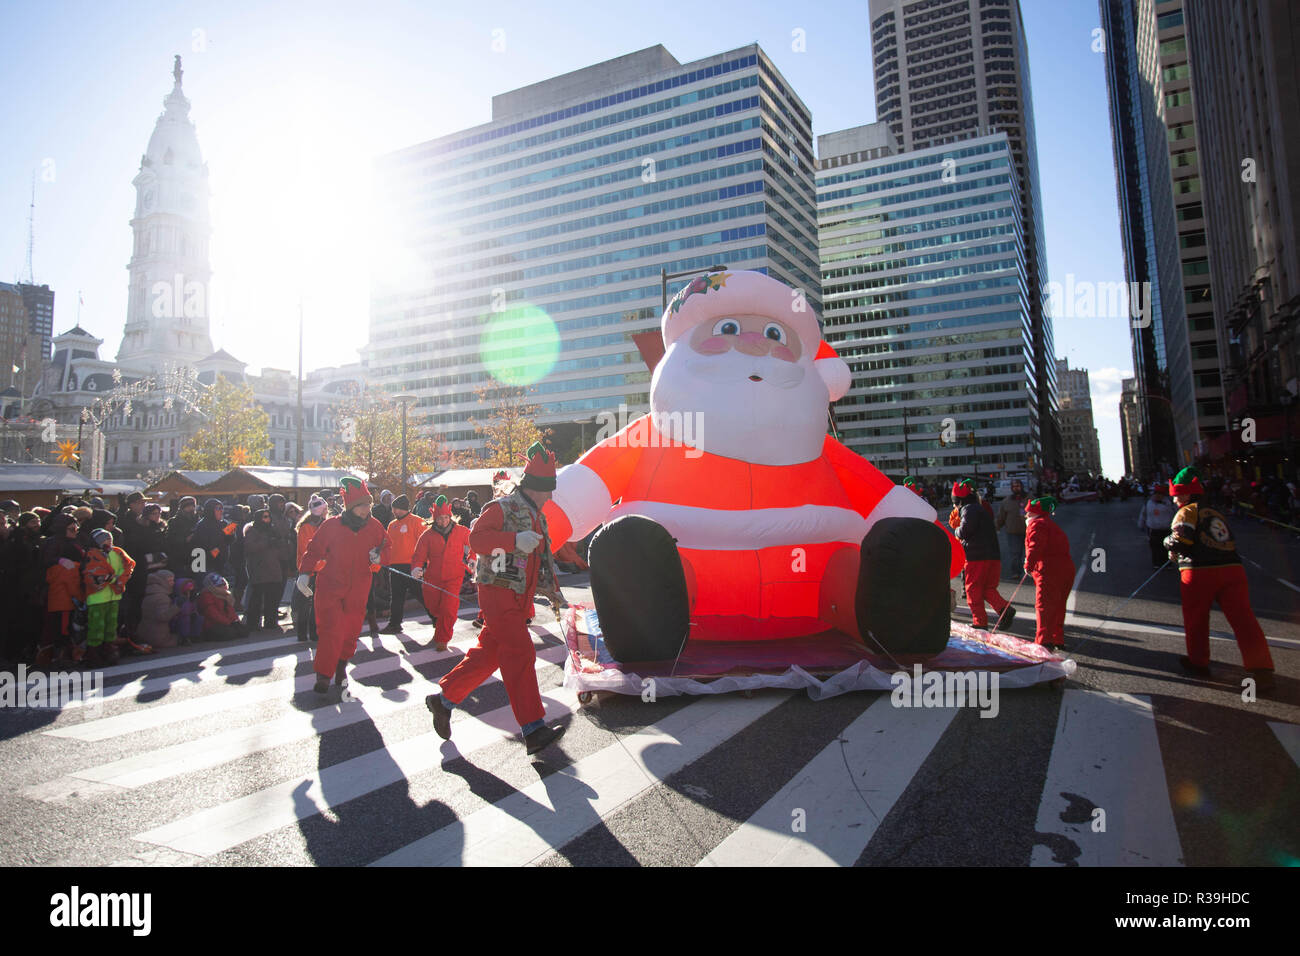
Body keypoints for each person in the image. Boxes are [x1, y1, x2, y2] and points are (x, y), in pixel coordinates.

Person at [425, 443, 567, 755]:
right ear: (537, 488)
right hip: (497, 592)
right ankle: (533, 729)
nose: (551, 497)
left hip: (517, 596)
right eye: (549, 490)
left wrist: (553, 590)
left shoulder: (535, 514)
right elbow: (476, 539)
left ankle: (444, 701)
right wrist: (513, 540)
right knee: (520, 652)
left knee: (488, 655)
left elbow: (540, 557)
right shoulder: (501, 507)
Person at [1163, 467, 1275, 684]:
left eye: (1177, 496)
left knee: (1196, 618)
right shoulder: (1216, 512)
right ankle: (1262, 669)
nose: (1175, 500)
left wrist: (1166, 542)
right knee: (1244, 619)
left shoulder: (1186, 512)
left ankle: (1199, 662)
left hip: (1199, 571)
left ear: (1187, 494)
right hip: (1233, 570)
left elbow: (1181, 542)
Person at [297, 477, 390, 696]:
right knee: (330, 630)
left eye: (368, 504)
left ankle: (341, 667)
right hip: (330, 586)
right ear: (351, 506)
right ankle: (323, 675)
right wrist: (304, 574)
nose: (368, 508)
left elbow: (387, 549)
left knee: (350, 632)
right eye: (363, 505)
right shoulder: (332, 525)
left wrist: (379, 557)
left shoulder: (374, 526)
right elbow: (314, 550)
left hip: (359, 587)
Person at [952, 479, 1015, 630]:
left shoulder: (969, 509)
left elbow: (965, 530)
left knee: (973, 590)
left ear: (959, 500)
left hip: (976, 556)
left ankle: (980, 622)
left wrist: (956, 529)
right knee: (988, 588)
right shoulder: (979, 508)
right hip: (992, 555)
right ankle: (1004, 610)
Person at [410, 495, 471, 651]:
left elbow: (474, 545)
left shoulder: (461, 531)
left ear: (450, 516)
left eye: (445, 518)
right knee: (433, 606)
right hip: (432, 578)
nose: (443, 521)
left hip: (454, 576)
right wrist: (416, 568)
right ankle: (440, 622)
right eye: (439, 518)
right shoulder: (427, 535)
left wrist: (473, 559)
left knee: (449, 608)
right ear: (434, 518)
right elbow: (419, 555)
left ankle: (442, 639)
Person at [1023, 496, 1072, 649]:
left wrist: (1028, 565)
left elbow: (1035, 547)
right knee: (1058, 605)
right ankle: (1058, 638)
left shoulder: (1036, 525)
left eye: (1028, 513)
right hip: (1065, 568)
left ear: (1033, 514)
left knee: (1044, 606)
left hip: (1048, 569)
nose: (1026, 516)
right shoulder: (1050, 524)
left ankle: (1043, 641)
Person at [82, 528, 136, 665]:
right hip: (97, 596)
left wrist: (121, 580)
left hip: (114, 595)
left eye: (110, 539)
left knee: (111, 625)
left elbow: (128, 566)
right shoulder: (91, 555)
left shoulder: (117, 552)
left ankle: (109, 650)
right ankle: (93, 653)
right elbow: (92, 574)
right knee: (96, 626)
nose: (109, 541)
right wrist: (113, 579)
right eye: (105, 539)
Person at [380, 494, 424, 634]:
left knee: (421, 595)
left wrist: (423, 565)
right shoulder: (392, 525)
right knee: (396, 597)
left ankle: (437, 618)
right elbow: (387, 545)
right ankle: (394, 624)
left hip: (412, 565)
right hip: (395, 566)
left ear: (404, 509)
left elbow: (424, 544)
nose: (394, 511)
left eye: (397, 509)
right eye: (394, 509)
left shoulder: (417, 521)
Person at [242, 507, 286, 632]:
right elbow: (250, 547)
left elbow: (280, 546)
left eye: (268, 516)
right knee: (256, 598)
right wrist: (267, 542)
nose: (267, 519)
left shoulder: (272, 530)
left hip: (273, 567)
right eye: (264, 517)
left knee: (272, 598)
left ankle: (271, 622)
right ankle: (253, 624)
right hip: (259, 568)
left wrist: (280, 545)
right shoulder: (253, 531)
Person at [293, 495, 328, 643]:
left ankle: (314, 632)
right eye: (325, 509)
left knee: (316, 603)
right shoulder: (306, 527)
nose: (326, 511)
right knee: (305, 603)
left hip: (321, 569)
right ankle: (302, 633)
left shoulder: (324, 525)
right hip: (307, 571)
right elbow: (306, 550)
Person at [139, 569, 182, 649]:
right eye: (170, 580)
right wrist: (177, 606)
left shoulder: (149, 594)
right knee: (180, 638)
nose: (173, 583)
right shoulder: (162, 597)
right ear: (162, 582)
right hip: (159, 637)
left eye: (173, 580)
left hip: (144, 635)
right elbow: (162, 616)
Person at [197, 573, 247, 642]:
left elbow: (230, 611)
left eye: (223, 585)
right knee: (229, 633)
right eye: (220, 585)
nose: (223, 587)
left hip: (224, 622)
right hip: (211, 625)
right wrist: (228, 623)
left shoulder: (226, 595)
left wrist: (235, 621)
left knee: (243, 631)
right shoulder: (206, 596)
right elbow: (212, 614)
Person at [996, 479, 1028, 580]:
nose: (1016, 488)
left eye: (1018, 486)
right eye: (1014, 486)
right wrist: (996, 527)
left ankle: (1033, 571)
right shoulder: (1006, 501)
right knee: (1015, 554)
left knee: (1030, 553)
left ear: (1022, 487)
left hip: (1029, 531)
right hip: (1013, 532)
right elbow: (1001, 517)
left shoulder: (1030, 499)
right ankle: (1016, 572)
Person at [1138, 486, 1175, 570]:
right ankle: (1156, 563)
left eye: (1160, 494)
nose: (1158, 496)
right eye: (1156, 494)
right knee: (1155, 547)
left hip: (1166, 529)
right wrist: (1141, 524)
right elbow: (1143, 514)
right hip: (1153, 529)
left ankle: (1167, 563)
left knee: (1166, 547)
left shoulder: (1169, 503)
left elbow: (1175, 513)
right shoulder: (1148, 503)